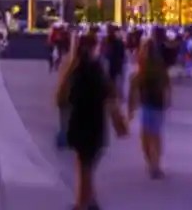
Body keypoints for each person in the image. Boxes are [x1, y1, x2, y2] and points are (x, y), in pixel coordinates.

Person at [58, 32, 128, 210]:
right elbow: (110, 98)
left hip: (79, 124)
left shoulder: (74, 71)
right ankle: (88, 201)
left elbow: (61, 99)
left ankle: (83, 203)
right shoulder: (97, 71)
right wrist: (119, 123)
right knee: (86, 166)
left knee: (84, 166)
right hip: (95, 125)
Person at [128, 37, 171, 179]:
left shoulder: (151, 65)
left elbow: (165, 83)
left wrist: (131, 108)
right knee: (152, 136)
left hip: (152, 104)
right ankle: (154, 164)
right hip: (152, 104)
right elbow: (166, 84)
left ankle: (154, 164)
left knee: (150, 136)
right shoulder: (145, 65)